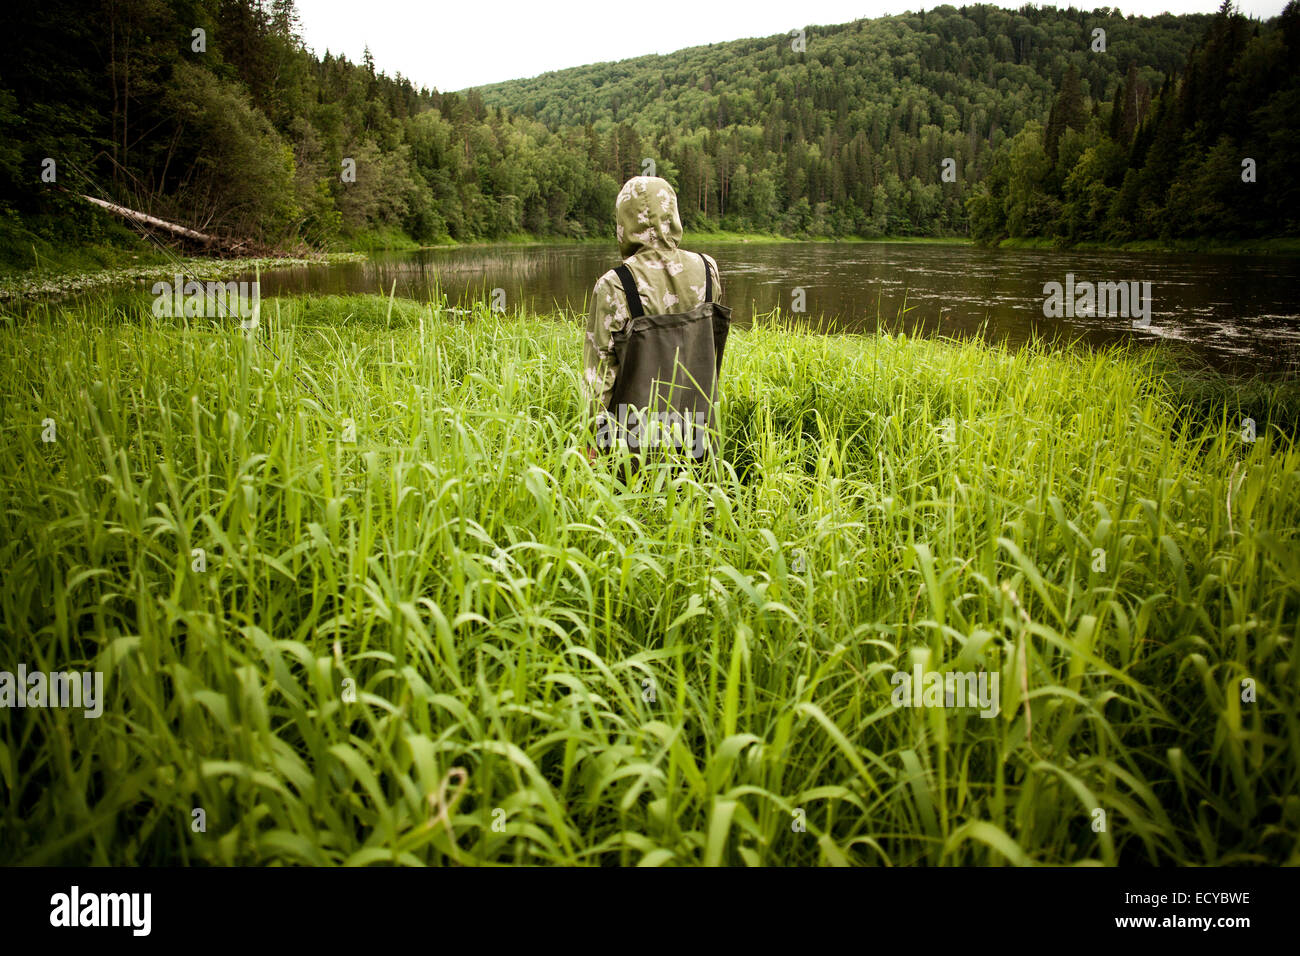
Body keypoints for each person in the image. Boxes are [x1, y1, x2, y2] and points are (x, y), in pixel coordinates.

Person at [583, 176, 723, 461]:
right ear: (672, 214)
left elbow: (599, 382)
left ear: (625, 222)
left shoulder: (615, 284)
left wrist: (591, 448)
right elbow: (712, 352)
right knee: (697, 503)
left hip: (634, 448)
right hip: (699, 434)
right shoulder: (709, 270)